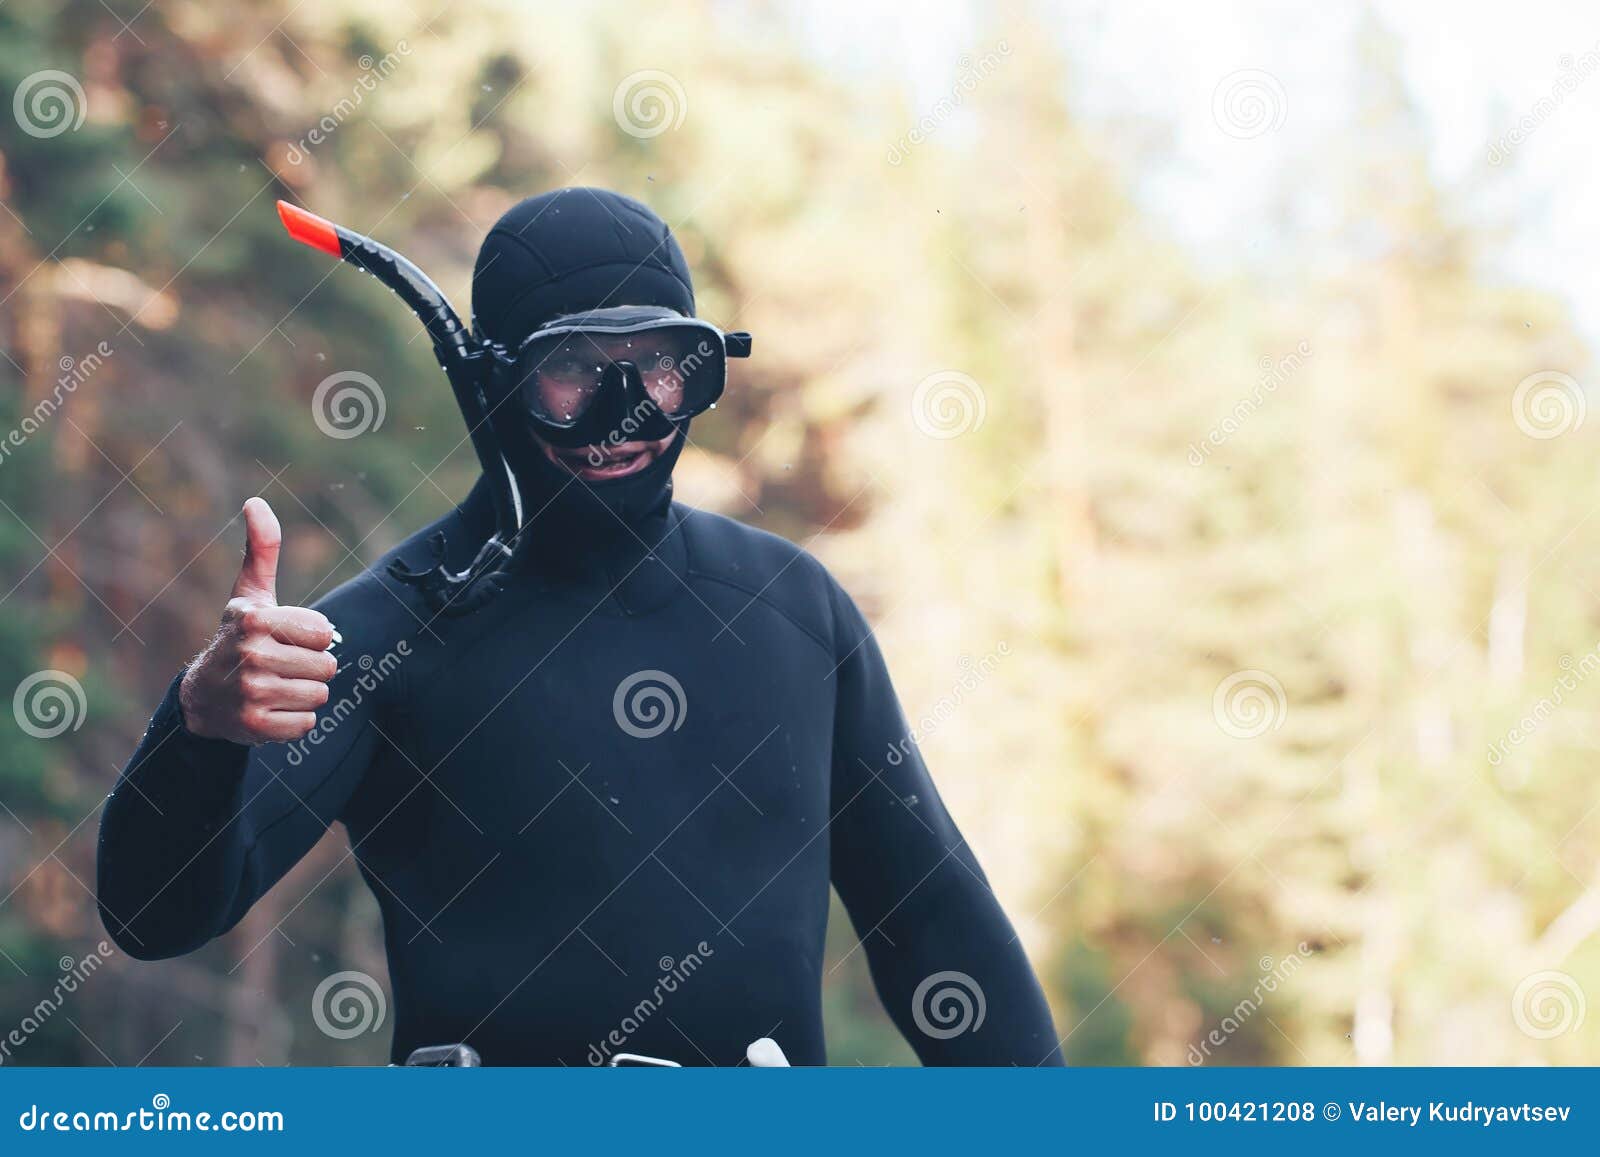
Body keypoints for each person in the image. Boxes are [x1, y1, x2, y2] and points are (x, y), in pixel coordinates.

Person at [96, 186, 1062, 1066]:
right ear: (492, 383)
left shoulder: (795, 613)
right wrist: (200, 728)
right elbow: (153, 912)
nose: (626, 411)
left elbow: (938, 927)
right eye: (573, 368)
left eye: (663, 368)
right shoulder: (390, 633)